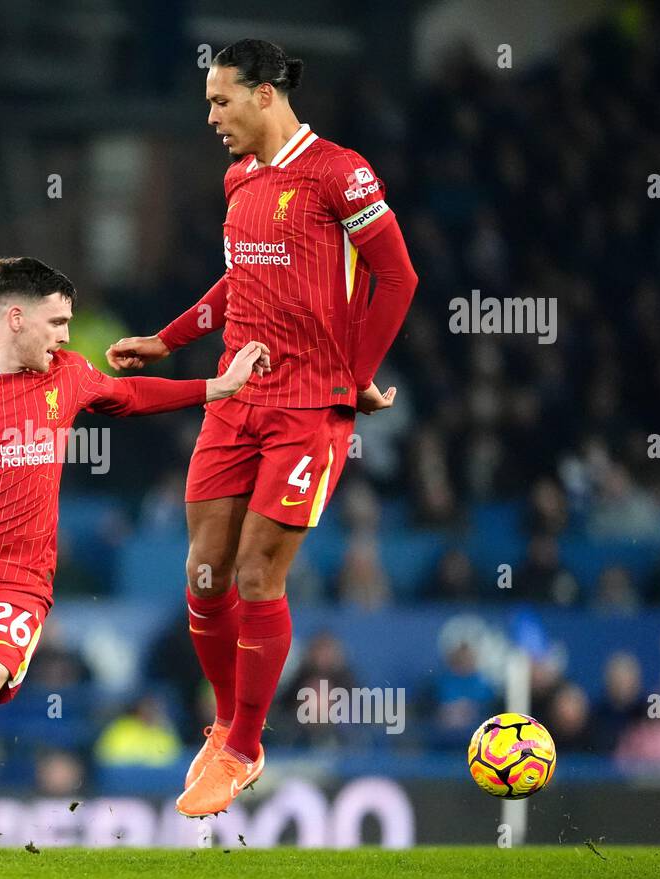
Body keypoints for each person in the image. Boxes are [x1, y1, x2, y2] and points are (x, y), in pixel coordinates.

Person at [0, 256, 269, 859]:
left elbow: (128, 395)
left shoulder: (66, 375)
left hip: (15, 583)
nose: (67, 336)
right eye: (58, 322)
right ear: (15, 317)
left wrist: (216, 388)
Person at [107, 39, 418, 817]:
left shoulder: (339, 172)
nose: (210, 116)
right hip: (235, 397)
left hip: (310, 407)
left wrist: (353, 379)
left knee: (255, 574)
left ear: (266, 93)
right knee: (203, 573)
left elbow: (398, 276)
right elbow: (239, 279)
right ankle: (223, 728)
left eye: (221, 100)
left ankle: (245, 744)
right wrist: (170, 339)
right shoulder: (238, 178)